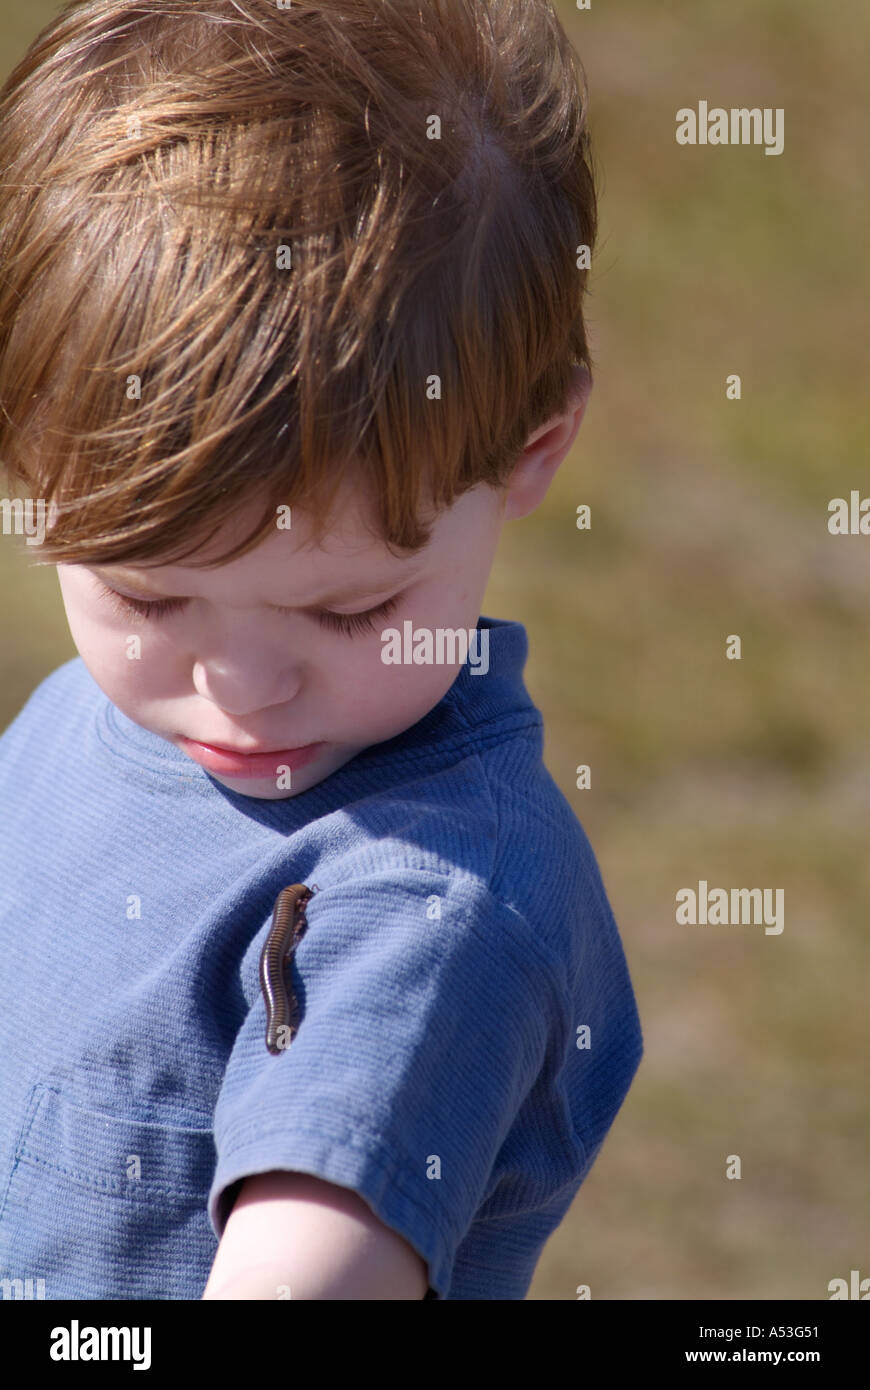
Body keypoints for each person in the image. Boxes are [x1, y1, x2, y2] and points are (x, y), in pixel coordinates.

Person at [0, 0, 642, 1299]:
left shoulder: (426, 913)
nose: (236, 688)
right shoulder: (84, 725)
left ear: (530, 451)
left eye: (348, 611)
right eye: (148, 598)